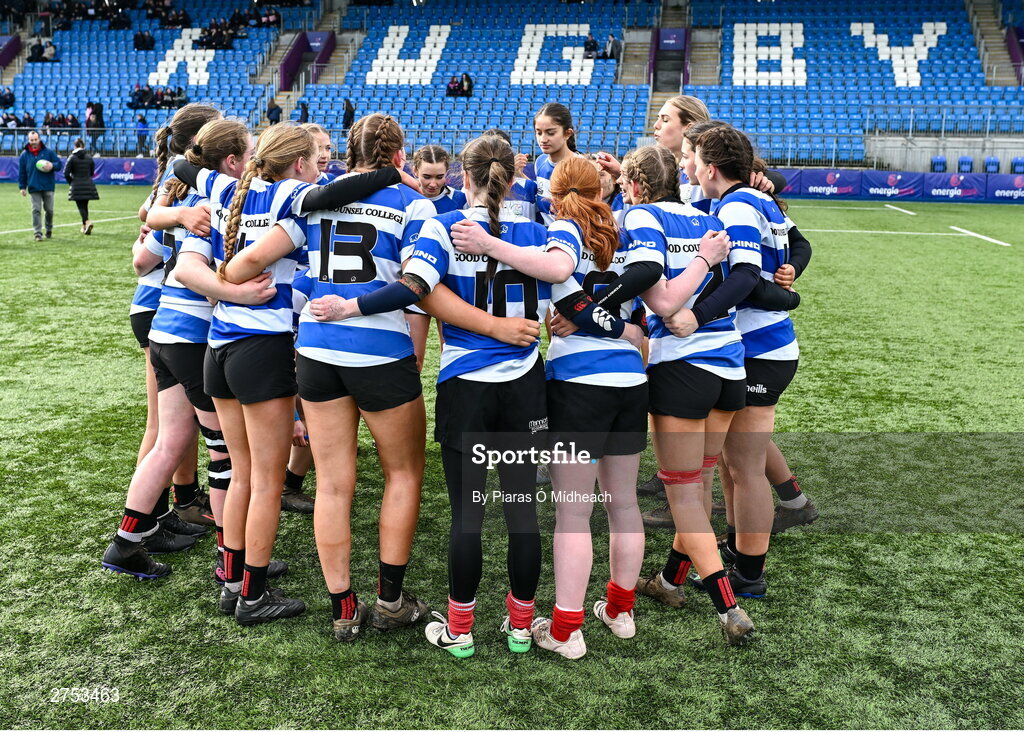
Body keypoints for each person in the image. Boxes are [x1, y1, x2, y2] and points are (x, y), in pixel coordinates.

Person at [170, 124, 407, 626]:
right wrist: (389, 171)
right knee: (264, 482)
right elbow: (338, 191)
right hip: (263, 348)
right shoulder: (291, 195)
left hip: (220, 347)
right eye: (315, 158)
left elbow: (181, 166)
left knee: (239, 475)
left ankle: (232, 579)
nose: (322, 165)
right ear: (298, 164)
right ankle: (253, 596)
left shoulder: (223, 186)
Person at [216, 114, 441, 639]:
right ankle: (389, 601)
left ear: (345, 153)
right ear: (399, 158)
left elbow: (246, 263)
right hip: (382, 355)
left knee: (333, 485)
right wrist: (356, 307)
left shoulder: (312, 199)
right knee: (403, 476)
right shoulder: (414, 204)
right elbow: (416, 284)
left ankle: (342, 608)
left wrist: (225, 284)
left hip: (316, 354)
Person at [448, 156, 664, 659]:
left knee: (573, 515)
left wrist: (488, 244)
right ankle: (619, 610)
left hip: (580, 385)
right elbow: (652, 304)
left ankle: (566, 631)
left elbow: (559, 278)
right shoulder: (625, 227)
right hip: (631, 381)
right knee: (624, 503)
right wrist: (629, 330)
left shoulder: (562, 229)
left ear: (558, 192)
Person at [533, 102, 580, 225]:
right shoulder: (540, 162)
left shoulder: (581, 166)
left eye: (551, 133)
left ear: (567, 134)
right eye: (539, 132)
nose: (543, 139)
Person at [17, 130, 60, 241]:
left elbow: (59, 164)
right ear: (28, 140)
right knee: (36, 209)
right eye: (31, 140)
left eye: (35, 139)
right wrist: (22, 187)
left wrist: (52, 165)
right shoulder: (24, 155)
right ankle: (37, 233)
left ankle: (49, 228)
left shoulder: (48, 152)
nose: (34, 142)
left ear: (39, 139)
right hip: (33, 186)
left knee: (49, 210)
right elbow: (22, 172)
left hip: (48, 186)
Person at [63, 138, 98, 235]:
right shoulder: (89, 157)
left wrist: (71, 182)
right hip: (88, 184)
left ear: (75, 146)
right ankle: (84, 226)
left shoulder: (72, 157)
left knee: (80, 206)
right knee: (85, 205)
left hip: (77, 184)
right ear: (83, 146)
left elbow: (65, 173)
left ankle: (87, 222)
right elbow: (92, 172)